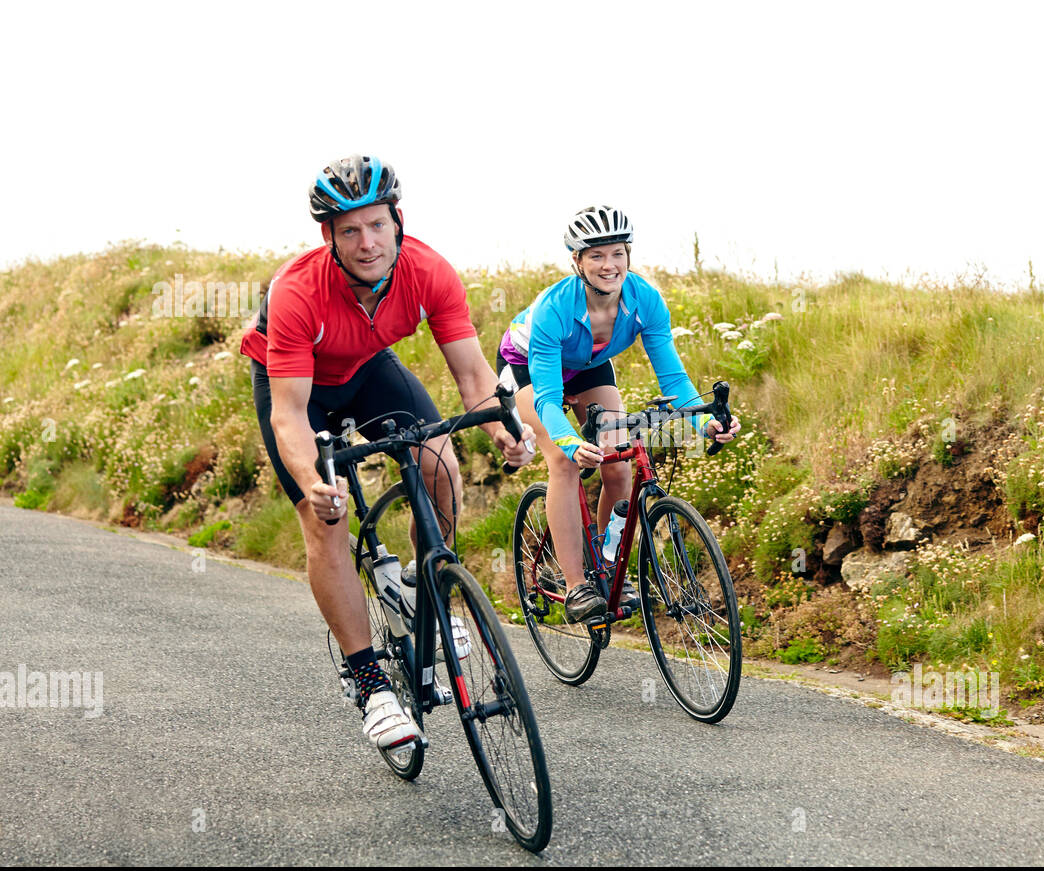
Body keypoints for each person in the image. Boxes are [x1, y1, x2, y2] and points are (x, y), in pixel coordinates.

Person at [240, 155, 535, 751]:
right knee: (325, 521)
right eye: (349, 230)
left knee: (440, 464)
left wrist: (502, 429)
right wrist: (313, 480)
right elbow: (289, 415)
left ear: (397, 220)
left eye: (376, 225)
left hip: (370, 369)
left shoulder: (429, 271)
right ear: (329, 237)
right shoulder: (296, 292)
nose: (366, 242)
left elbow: (475, 379)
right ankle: (371, 683)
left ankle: (432, 593)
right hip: (297, 390)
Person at [497, 205, 740, 622]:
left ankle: (607, 566)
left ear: (629, 255)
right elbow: (549, 401)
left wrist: (706, 420)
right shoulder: (554, 308)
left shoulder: (645, 299)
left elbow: (675, 382)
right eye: (596, 255)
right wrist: (571, 441)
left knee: (619, 464)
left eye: (617, 253)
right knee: (562, 461)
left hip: (589, 367)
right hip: (530, 370)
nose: (609, 265)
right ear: (577, 261)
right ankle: (576, 587)